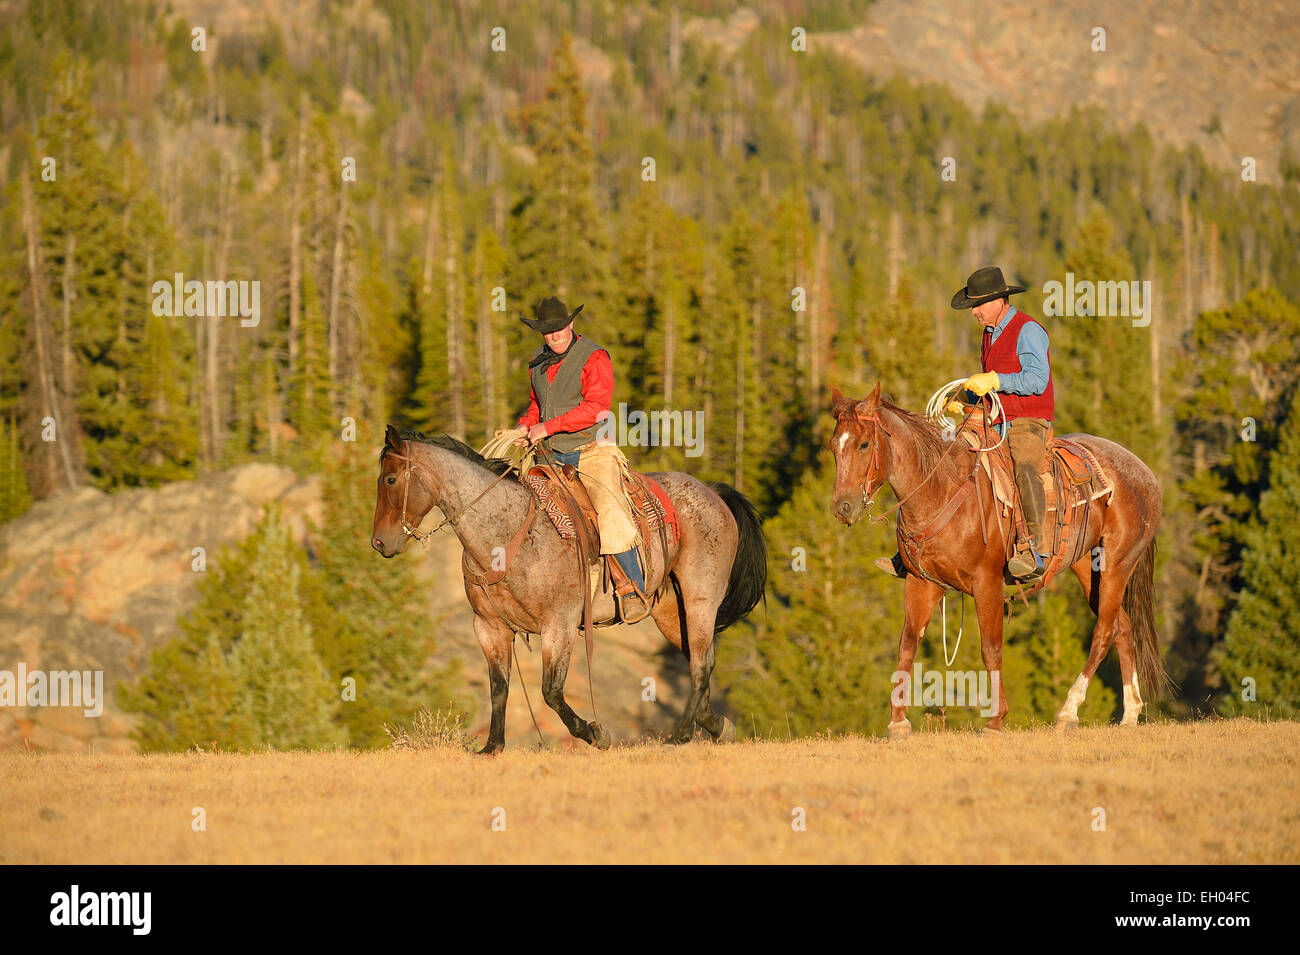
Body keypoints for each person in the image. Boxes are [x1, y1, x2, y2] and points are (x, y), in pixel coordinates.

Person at [877, 266, 1053, 581]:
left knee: (1025, 467)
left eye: (979, 304)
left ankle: (1034, 549)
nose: (974, 311)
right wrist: (966, 401)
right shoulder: (988, 336)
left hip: (1026, 420)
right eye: (973, 305)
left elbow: (1038, 380)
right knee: (943, 457)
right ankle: (915, 546)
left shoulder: (1028, 330)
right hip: (992, 420)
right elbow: (989, 387)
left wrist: (995, 379)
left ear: (1000, 299)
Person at [515, 296, 650, 622]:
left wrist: (547, 427)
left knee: (609, 506)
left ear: (571, 324)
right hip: (549, 452)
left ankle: (632, 588)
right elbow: (537, 405)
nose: (555, 336)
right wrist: (524, 426)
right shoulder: (537, 361)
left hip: (590, 448)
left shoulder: (594, 357)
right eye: (548, 332)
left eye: (559, 328)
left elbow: (596, 407)